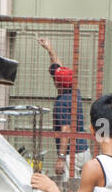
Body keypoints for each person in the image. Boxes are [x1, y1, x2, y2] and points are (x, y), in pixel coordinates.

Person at [37, 37, 90, 178]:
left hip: (72, 156)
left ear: (57, 84)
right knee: (82, 189)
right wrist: (50, 49)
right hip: (83, 151)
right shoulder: (74, 92)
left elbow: (66, 129)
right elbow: (59, 68)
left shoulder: (62, 102)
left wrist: (61, 157)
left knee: (70, 190)